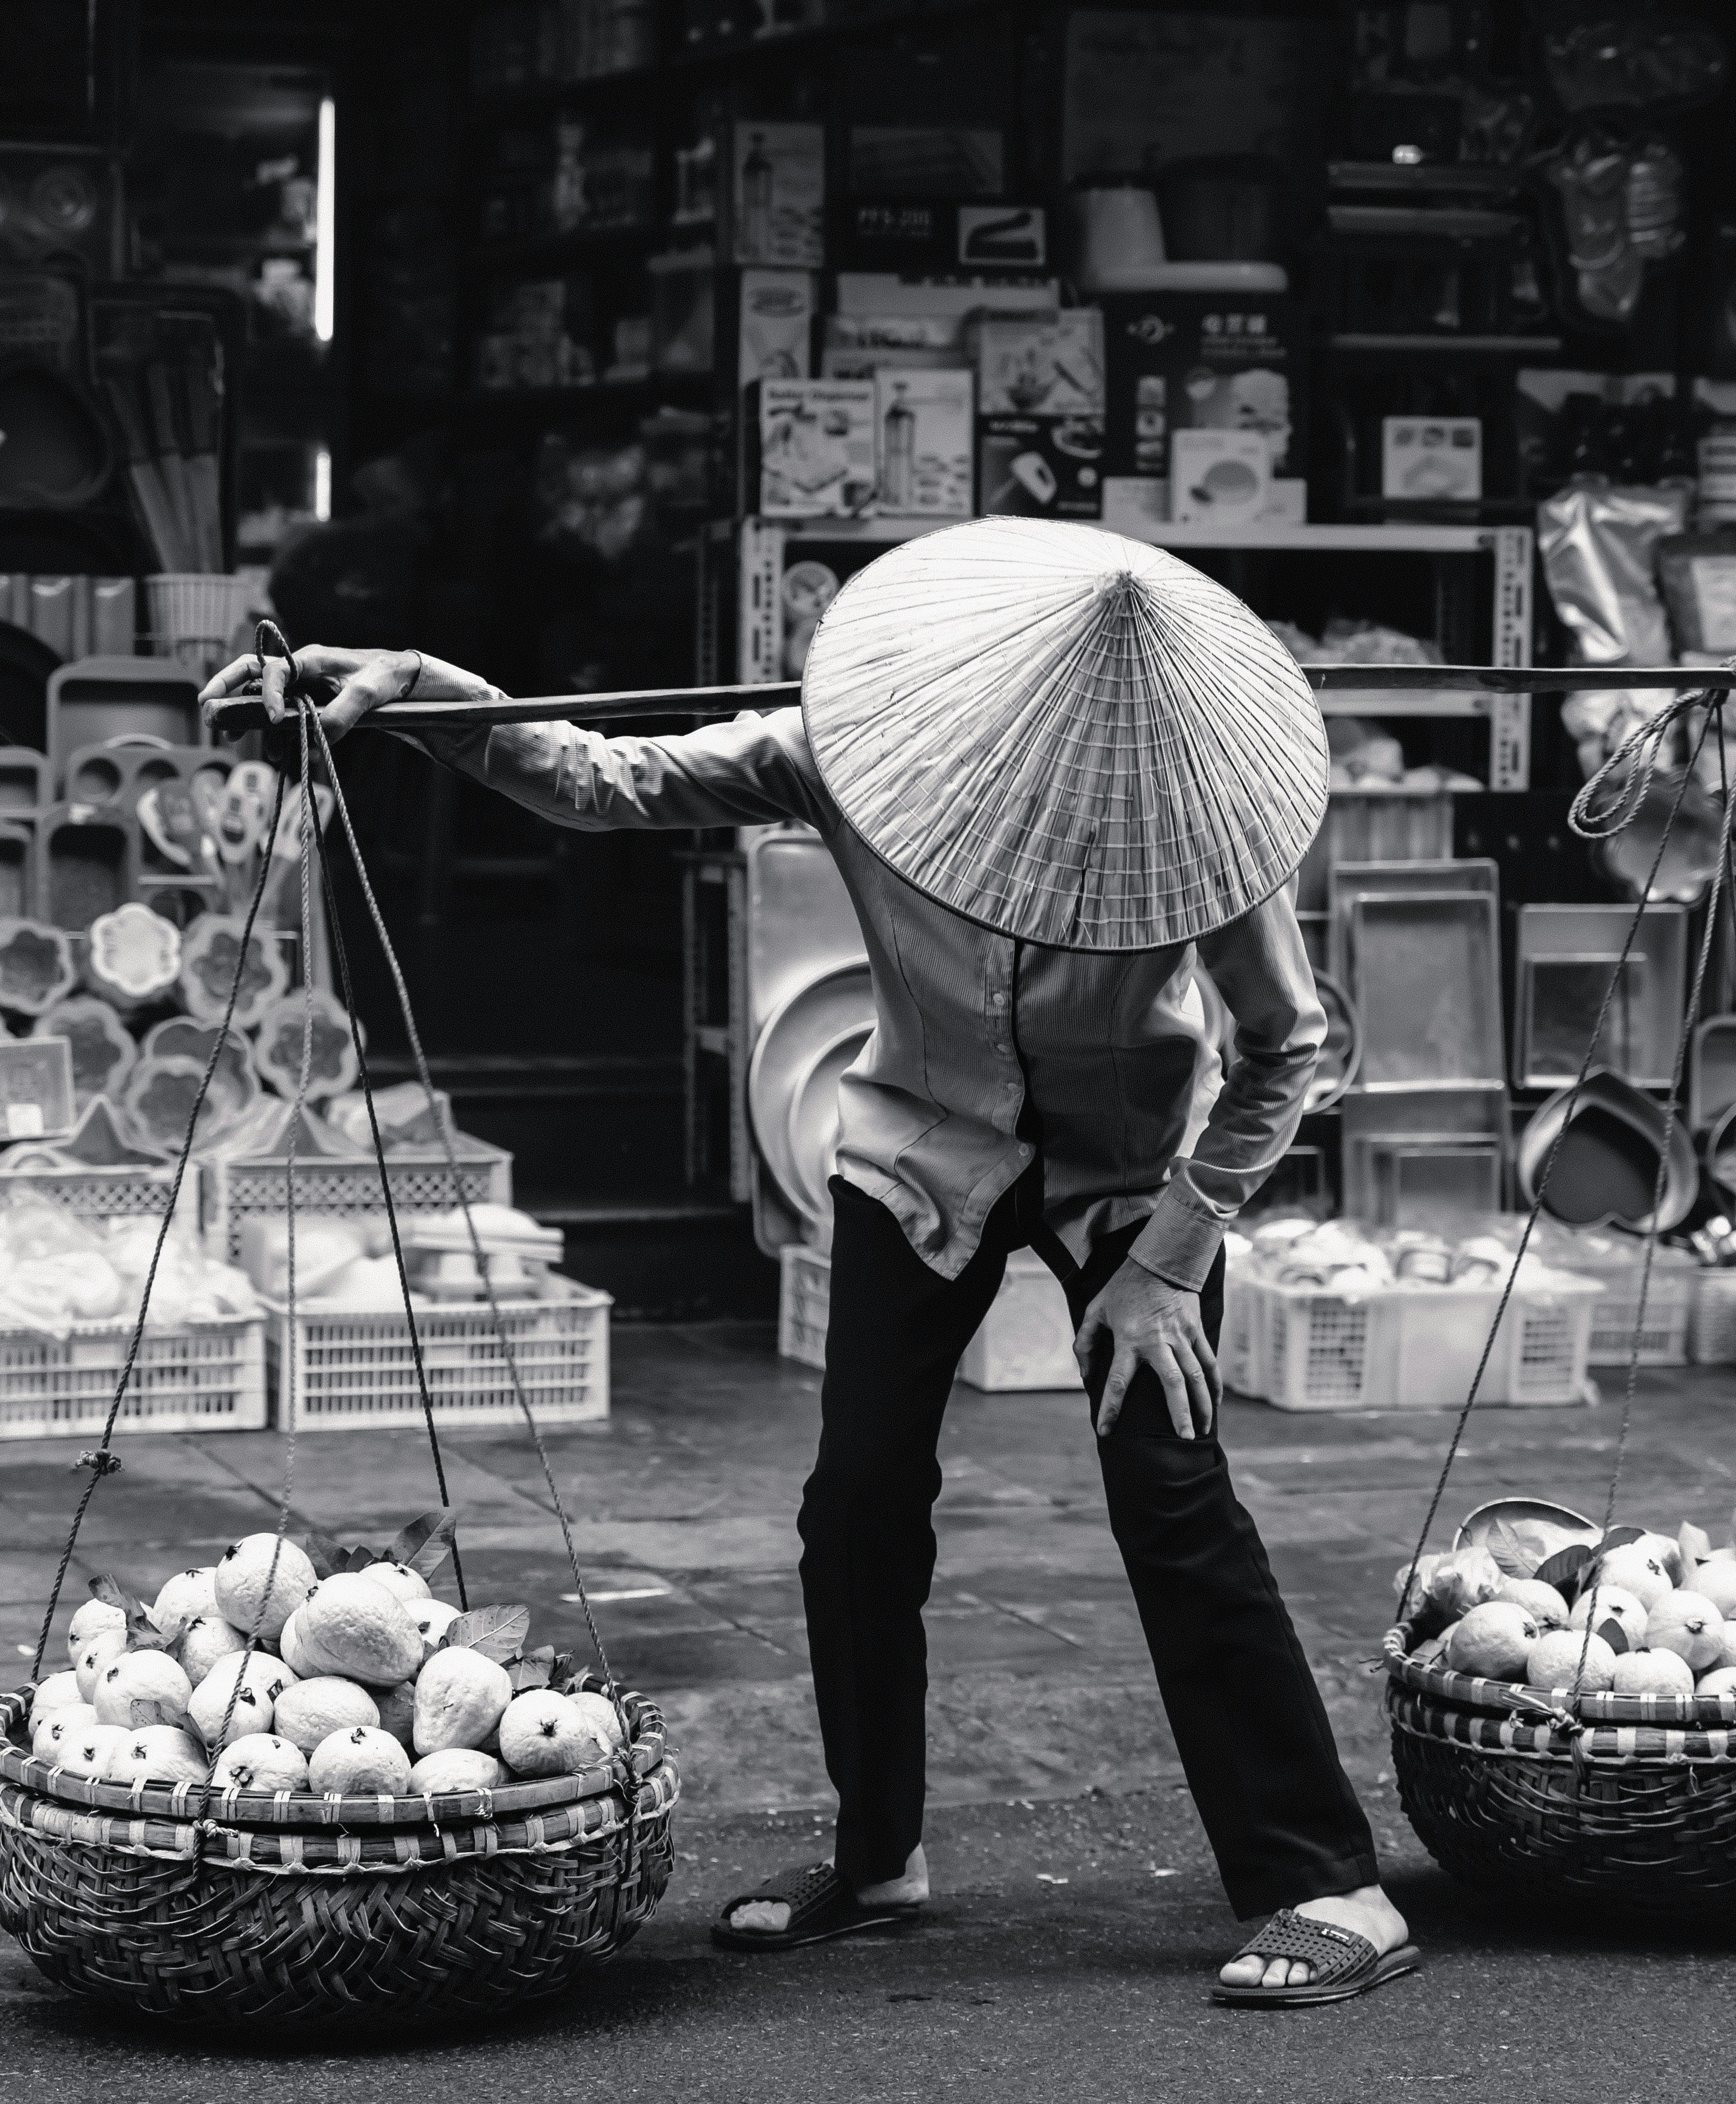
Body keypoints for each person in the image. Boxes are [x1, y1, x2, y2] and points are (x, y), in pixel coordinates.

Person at [203, 518, 1415, 2008]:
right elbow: (603, 776)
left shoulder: (1187, 816)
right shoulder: (863, 751)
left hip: (1128, 1187)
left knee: (1175, 1506)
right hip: (916, 1151)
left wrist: (1173, 1254)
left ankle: (1326, 1877)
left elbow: (1287, 1045)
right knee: (855, 1503)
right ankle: (879, 1851)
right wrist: (426, 688)